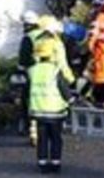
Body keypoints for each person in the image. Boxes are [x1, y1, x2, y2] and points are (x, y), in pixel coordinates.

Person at [28, 39, 72, 174]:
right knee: (55, 138)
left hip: (38, 111)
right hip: (55, 112)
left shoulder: (32, 70)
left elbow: (27, 90)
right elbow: (64, 89)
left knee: (42, 138)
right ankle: (55, 163)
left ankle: (42, 163)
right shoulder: (55, 71)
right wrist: (70, 100)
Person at [16, 11, 41, 137]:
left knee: (28, 100)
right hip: (48, 72)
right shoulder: (45, 35)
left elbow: (23, 58)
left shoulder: (28, 38)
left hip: (32, 73)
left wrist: (20, 69)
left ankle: (29, 126)